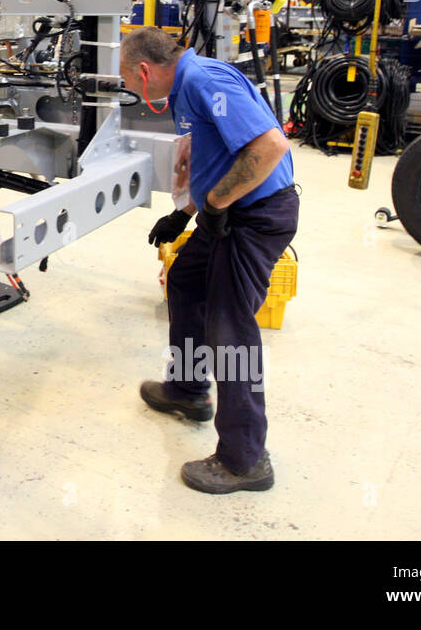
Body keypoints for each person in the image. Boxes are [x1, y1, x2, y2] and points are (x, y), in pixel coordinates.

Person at [120, 26, 298, 494]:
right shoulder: (188, 83)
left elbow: (269, 147)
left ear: (144, 70)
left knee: (229, 327)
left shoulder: (202, 80)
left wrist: (216, 205)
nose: (130, 90)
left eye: (128, 80)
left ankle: (245, 460)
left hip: (254, 217)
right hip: (229, 211)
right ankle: (187, 390)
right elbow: (219, 154)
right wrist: (186, 212)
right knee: (185, 280)